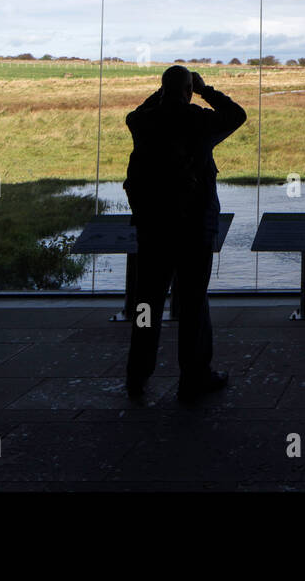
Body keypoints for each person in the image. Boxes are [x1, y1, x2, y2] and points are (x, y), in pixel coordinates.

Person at [123, 65, 246, 403]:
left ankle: (138, 374)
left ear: (162, 89)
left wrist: (164, 94)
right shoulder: (199, 120)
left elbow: (137, 113)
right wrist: (207, 91)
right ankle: (194, 376)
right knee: (192, 302)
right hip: (194, 225)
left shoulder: (142, 122)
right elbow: (236, 115)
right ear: (189, 90)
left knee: (147, 301)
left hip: (153, 226)